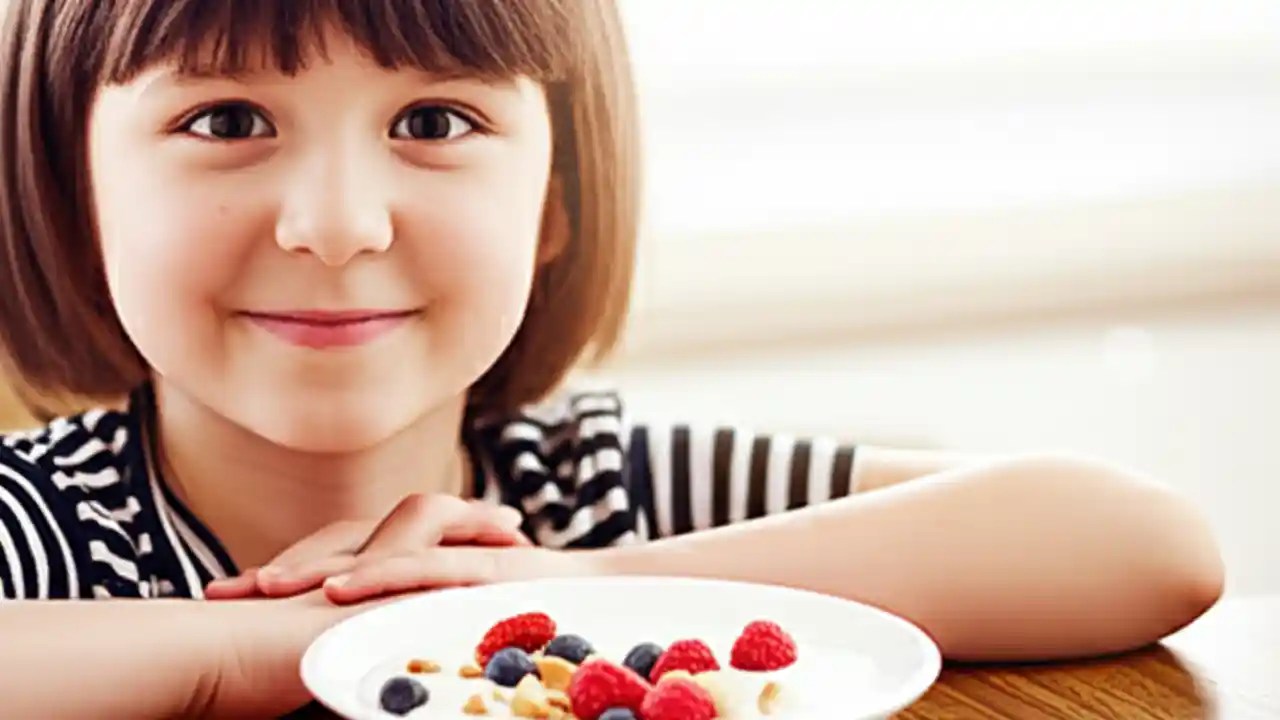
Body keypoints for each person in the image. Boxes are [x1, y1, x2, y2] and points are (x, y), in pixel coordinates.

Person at [0, 1, 1223, 718]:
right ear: (70, 191)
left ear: (552, 205)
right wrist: (262, 652)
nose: (337, 226)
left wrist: (567, 590)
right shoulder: (53, 530)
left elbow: (1142, 543)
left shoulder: (593, 494)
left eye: (434, 122)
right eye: (224, 122)